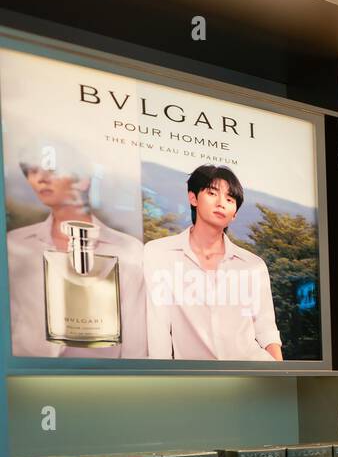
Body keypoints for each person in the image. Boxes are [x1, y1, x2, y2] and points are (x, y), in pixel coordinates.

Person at [7, 142, 147, 358]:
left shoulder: (128, 250)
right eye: (32, 171)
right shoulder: (15, 245)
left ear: (83, 179)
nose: (39, 178)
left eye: (51, 170)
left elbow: (136, 342)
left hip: (103, 382)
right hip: (23, 379)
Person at [143, 164, 282, 361]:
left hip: (253, 373)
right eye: (212, 193)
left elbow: (266, 329)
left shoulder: (252, 265)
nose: (221, 203)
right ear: (193, 198)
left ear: (234, 214)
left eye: (230, 199)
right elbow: (158, 326)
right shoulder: (159, 253)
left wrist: (281, 376)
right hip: (197, 381)